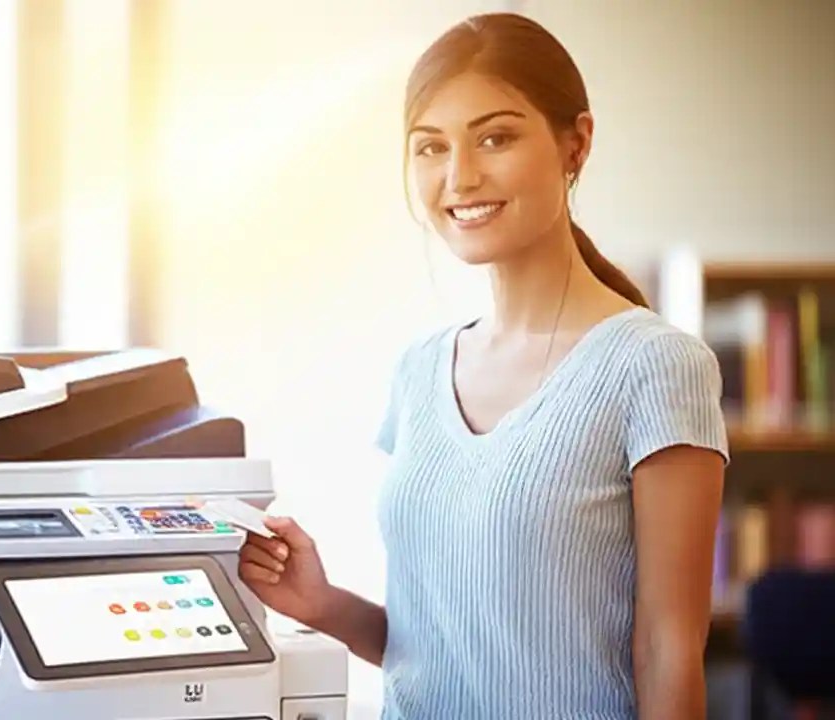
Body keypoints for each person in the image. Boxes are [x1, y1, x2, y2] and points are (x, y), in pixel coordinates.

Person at [238, 12, 729, 719]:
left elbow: (667, 654)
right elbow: (435, 651)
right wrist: (319, 604)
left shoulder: (657, 366)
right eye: (430, 148)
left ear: (576, 143)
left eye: (495, 138)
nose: (459, 176)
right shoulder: (419, 370)